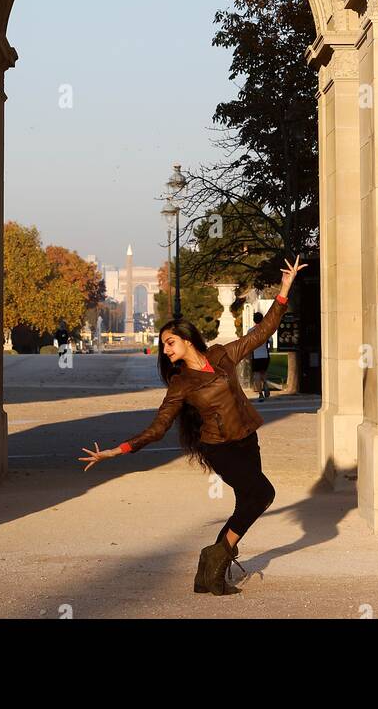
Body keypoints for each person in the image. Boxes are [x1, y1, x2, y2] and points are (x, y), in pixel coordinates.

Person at [80, 254, 308, 595]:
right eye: (163, 346)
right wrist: (119, 450)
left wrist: (285, 289)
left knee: (247, 502)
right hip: (219, 446)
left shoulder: (221, 355)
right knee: (264, 493)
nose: (166, 350)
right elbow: (158, 428)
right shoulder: (180, 384)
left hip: (247, 438)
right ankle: (214, 557)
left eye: (170, 342)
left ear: (187, 339)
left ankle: (209, 575)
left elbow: (261, 333)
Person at [249, 311, 272, 402]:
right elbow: (270, 342)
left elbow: (248, 344)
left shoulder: (250, 331)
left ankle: (260, 394)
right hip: (265, 354)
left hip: (255, 355)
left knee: (256, 375)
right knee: (264, 372)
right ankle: (265, 384)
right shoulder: (266, 330)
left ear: (254, 320)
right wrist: (268, 350)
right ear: (262, 320)